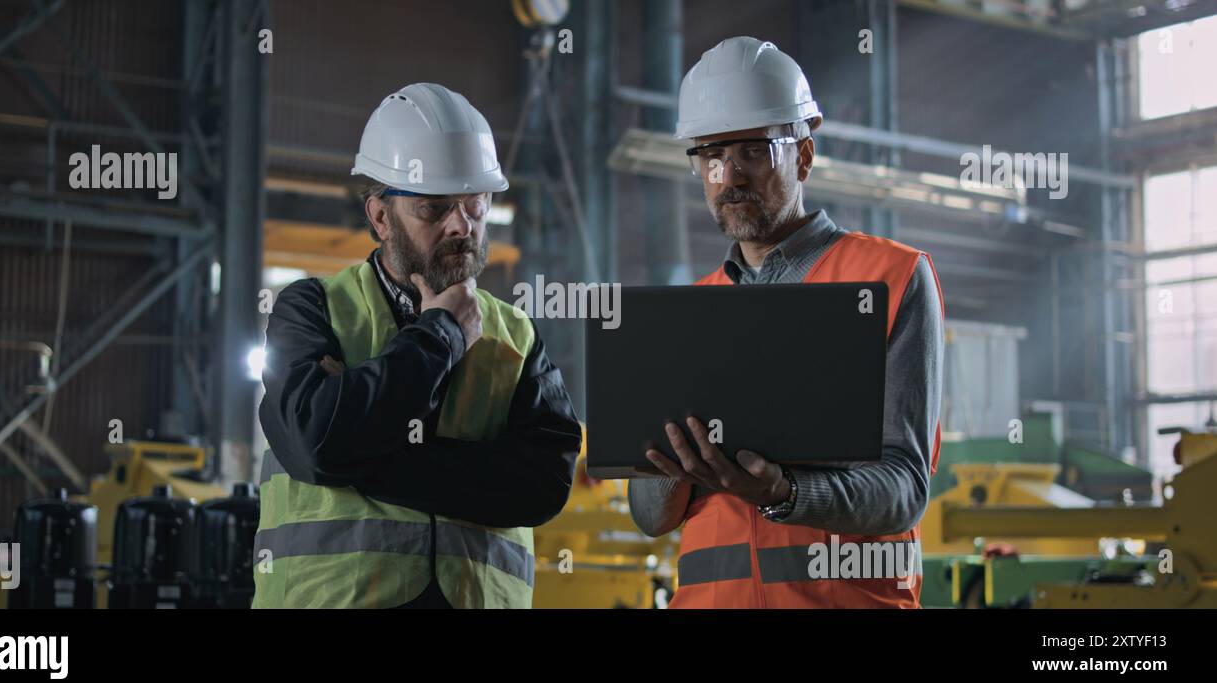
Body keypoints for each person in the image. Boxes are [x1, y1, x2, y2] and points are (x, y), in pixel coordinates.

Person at [629, 37, 945, 608]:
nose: (729, 177)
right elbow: (650, 516)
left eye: (752, 151)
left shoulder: (890, 278)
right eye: (711, 157)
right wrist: (679, 458)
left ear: (802, 155)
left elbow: (903, 488)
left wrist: (784, 493)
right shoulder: (685, 316)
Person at [253, 83, 581, 609]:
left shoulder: (515, 332)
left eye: (475, 205)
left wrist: (357, 454)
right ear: (381, 217)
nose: (461, 225)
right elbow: (318, 439)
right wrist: (441, 335)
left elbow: (544, 484)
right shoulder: (311, 307)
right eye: (433, 209)